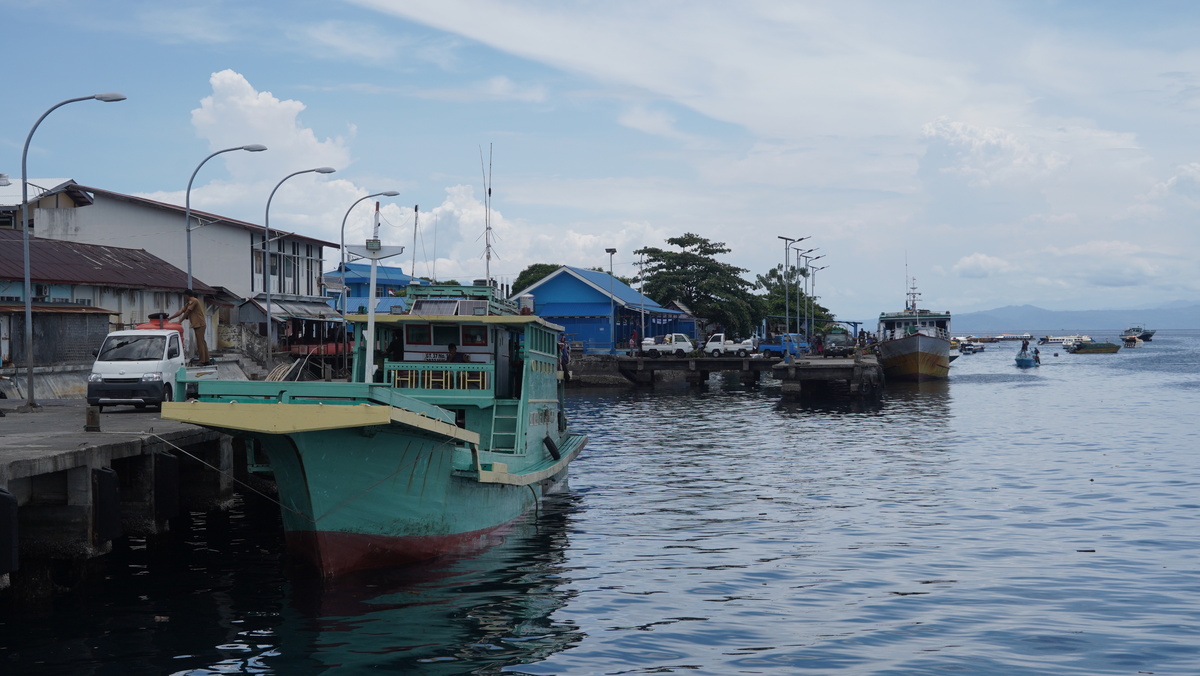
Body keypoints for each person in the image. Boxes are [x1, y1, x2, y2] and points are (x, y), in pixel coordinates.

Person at [168, 289, 209, 364]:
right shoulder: (189, 303)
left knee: (200, 342)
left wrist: (180, 321)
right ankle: (206, 360)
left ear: (187, 295)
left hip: (200, 324)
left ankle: (203, 360)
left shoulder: (194, 301)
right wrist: (170, 318)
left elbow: (187, 312)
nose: (184, 297)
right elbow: (181, 311)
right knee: (202, 342)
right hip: (197, 324)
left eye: (184, 296)